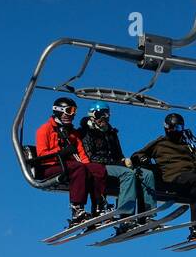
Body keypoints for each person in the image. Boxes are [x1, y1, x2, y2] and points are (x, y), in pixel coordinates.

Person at [133, 113, 196, 239]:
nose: (175, 131)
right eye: (173, 128)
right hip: (175, 177)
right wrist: (143, 159)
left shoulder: (187, 145)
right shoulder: (160, 143)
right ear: (166, 128)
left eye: (179, 128)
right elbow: (138, 154)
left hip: (193, 175)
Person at [79, 103, 156, 231]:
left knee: (147, 174)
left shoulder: (111, 133)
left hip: (115, 164)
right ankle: (126, 217)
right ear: (93, 116)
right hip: (99, 166)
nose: (104, 118)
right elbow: (91, 157)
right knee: (128, 174)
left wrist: (127, 161)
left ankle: (147, 215)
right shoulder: (86, 132)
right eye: (101, 115)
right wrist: (119, 163)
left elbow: (118, 154)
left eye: (107, 115)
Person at [35, 97, 107, 225]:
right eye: (69, 111)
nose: (72, 115)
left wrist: (90, 167)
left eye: (74, 111)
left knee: (97, 168)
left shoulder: (72, 133)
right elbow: (41, 154)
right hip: (49, 166)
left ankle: (98, 205)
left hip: (69, 165)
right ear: (58, 111)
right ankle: (77, 209)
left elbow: (82, 156)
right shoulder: (45, 130)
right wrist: (61, 153)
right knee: (78, 168)